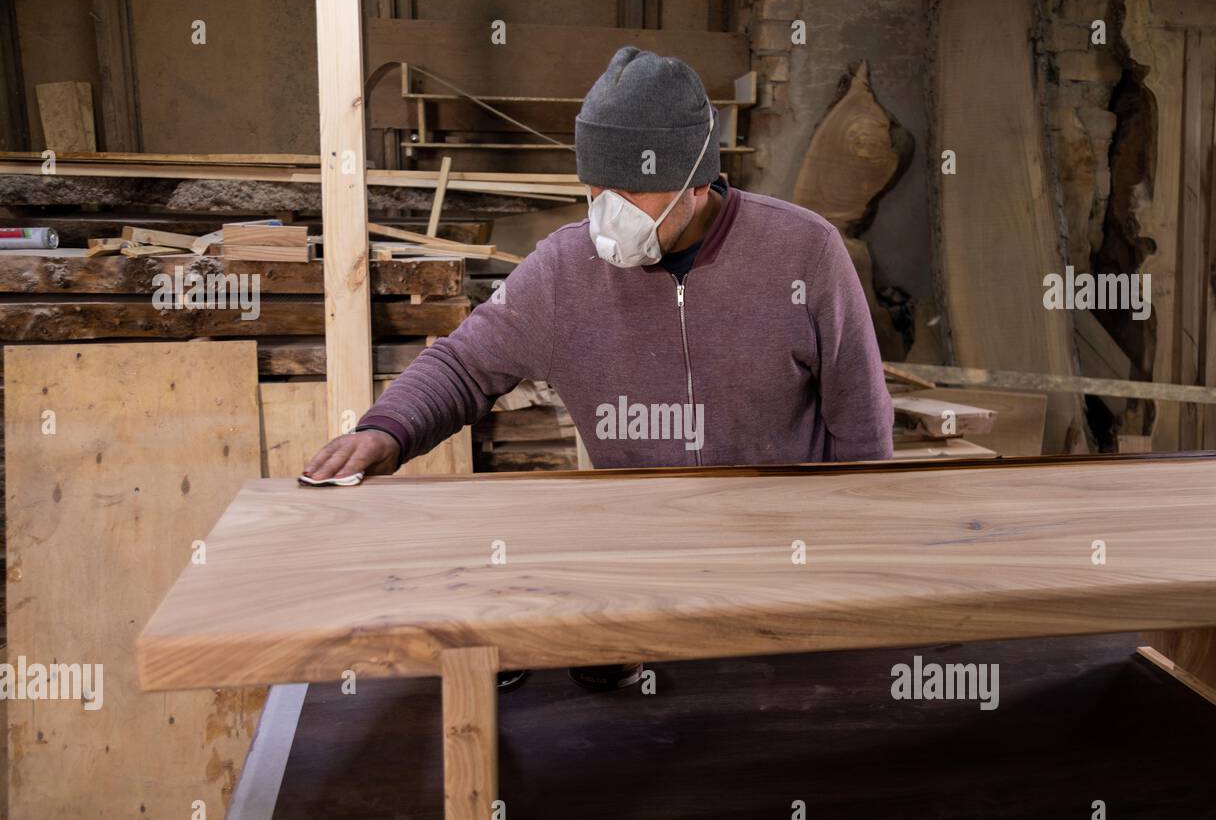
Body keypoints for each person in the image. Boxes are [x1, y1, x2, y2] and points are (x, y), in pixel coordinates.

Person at [304, 46, 894, 692]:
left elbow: (859, 416)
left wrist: (849, 572)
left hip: (780, 560)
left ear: (697, 183)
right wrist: (387, 430)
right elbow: (464, 364)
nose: (606, 210)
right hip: (640, 559)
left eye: (630, 190)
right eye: (594, 189)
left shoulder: (804, 251)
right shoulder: (563, 271)